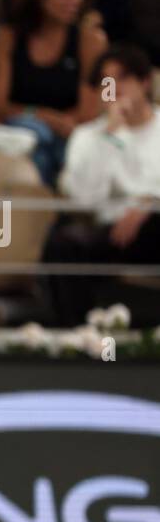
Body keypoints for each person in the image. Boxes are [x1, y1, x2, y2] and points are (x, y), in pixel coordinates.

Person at [41, 45, 160, 327]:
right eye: (107, 82)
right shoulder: (86, 137)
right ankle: (79, 334)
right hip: (109, 229)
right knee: (62, 244)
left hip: (156, 224)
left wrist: (147, 206)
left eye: (123, 79)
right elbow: (83, 200)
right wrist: (109, 135)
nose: (114, 88)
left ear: (144, 83)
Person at [0, 0, 106, 189]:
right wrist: (43, 117)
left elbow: (91, 110)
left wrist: (60, 123)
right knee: (37, 136)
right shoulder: (8, 38)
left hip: (72, 133)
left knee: (49, 146)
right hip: (21, 133)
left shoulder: (91, 41)